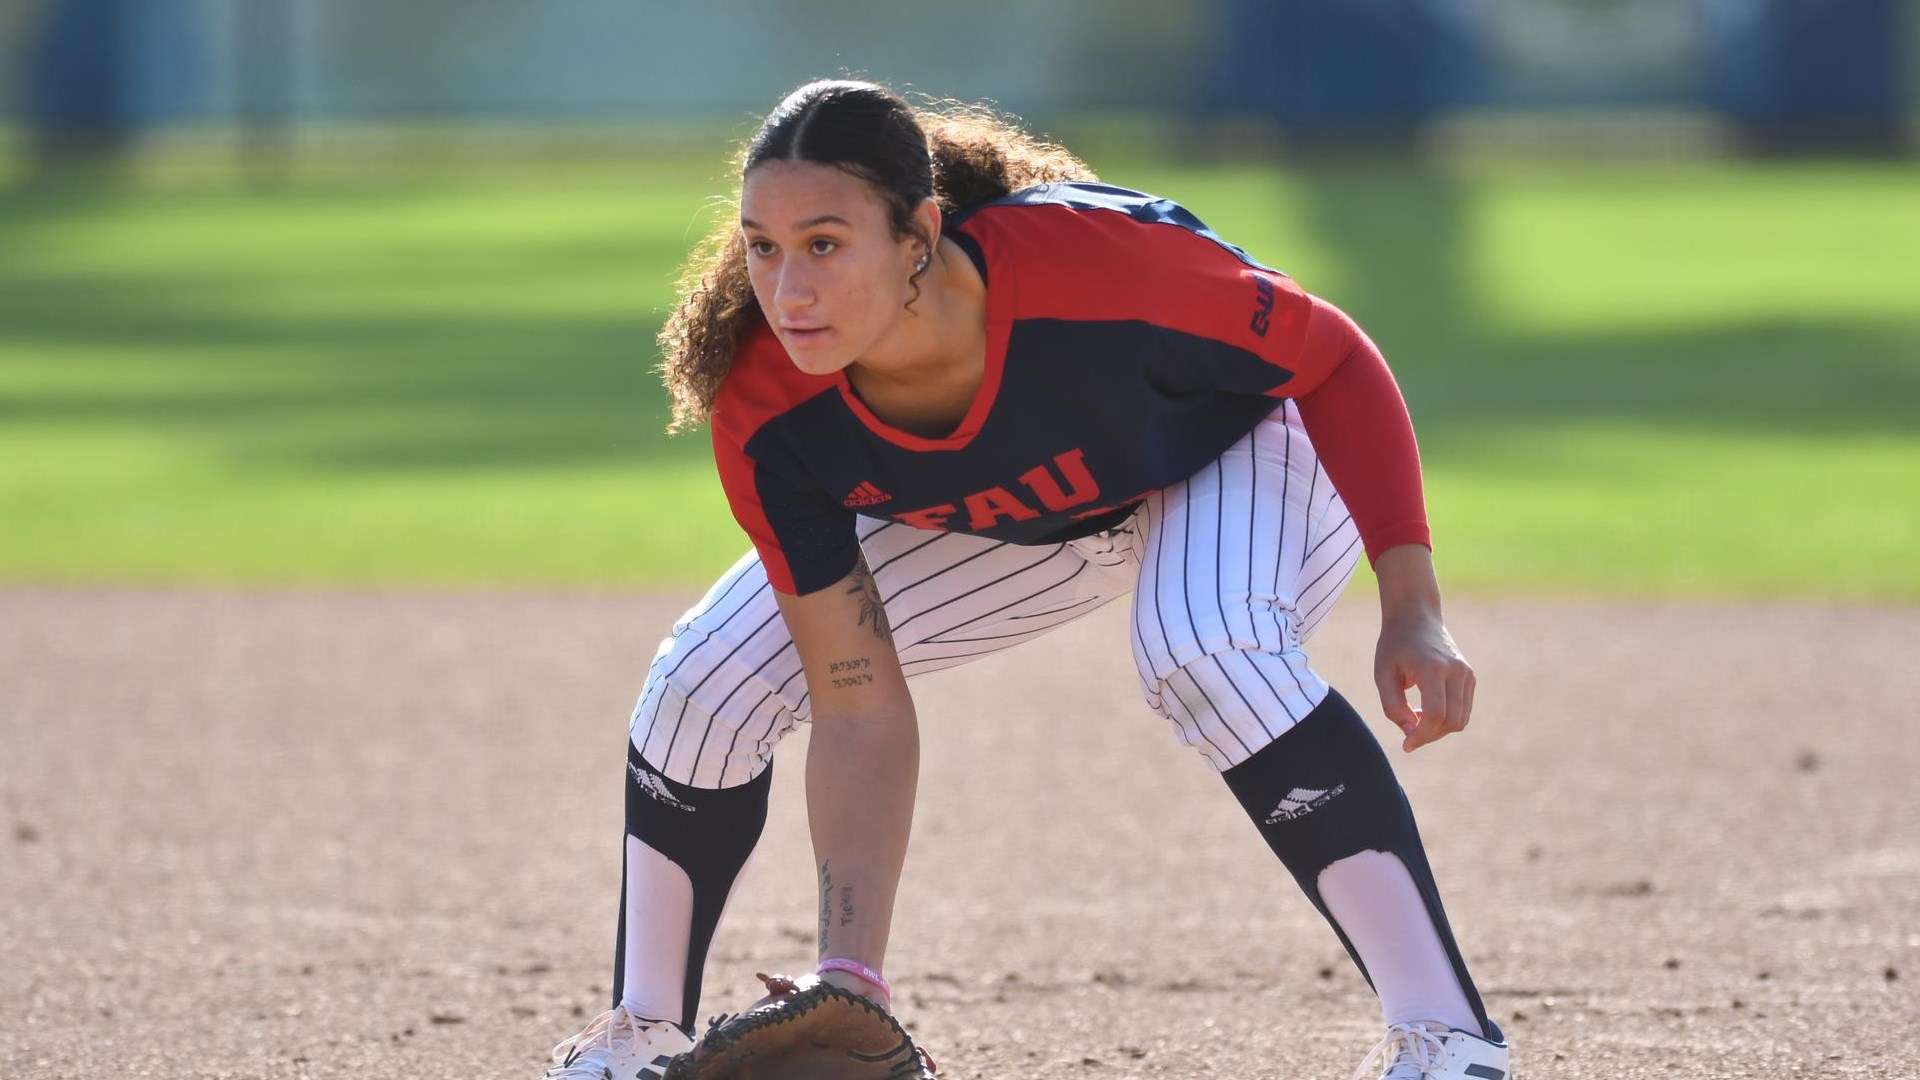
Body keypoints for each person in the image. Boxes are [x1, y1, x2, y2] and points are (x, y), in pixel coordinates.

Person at [540, 79, 1511, 1080]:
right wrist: (849, 977)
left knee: (1205, 645)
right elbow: (856, 704)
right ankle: (644, 1035)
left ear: (919, 234)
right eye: (763, 245)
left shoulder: (1101, 270)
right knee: (708, 678)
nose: (788, 290)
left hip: (1238, 450)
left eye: (825, 244)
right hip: (1028, 518)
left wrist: (1413, 608)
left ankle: (1449, 1039)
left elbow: (1335, 359)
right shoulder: (772, 410)